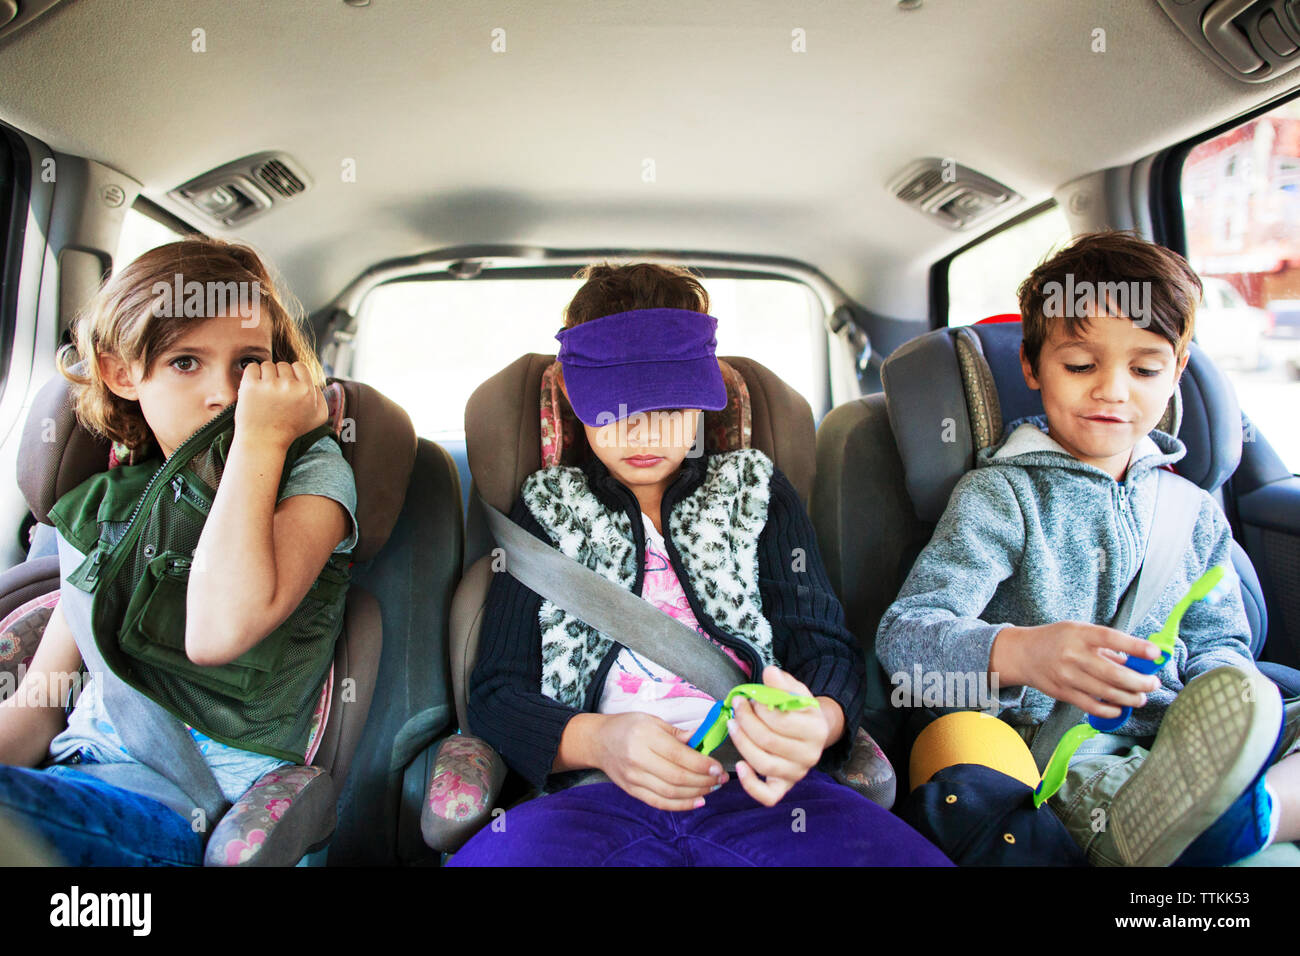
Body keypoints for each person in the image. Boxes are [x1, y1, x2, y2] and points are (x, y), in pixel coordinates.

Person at [450, 262, 950, 866]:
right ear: (575, 402)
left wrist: (816, 723)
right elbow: (497, 694)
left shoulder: (755, 494)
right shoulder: (548, 513)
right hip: (593, 795)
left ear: (702, 400)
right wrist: (599, 741)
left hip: (766, 789)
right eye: (613, 408)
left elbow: (823, 647)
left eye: (667, 405)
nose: (642, 429)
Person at [877, 231, 1300, 866]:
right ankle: (1209, 824)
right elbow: (905, 639)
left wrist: (1223, 708)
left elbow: (1220, 643)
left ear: (1177, 372)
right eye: (1080, 366)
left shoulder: (1192, 512)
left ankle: (1257, 813)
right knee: (1082, 796)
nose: (1112, 391)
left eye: (1145, 369)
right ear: (1031, 366)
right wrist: (1021, 654)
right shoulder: (1001, 495)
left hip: (1179, 738)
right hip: (1060, 752)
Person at [0, 238, 358, 866]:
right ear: (120, 373)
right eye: (186, 362)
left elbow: (218, 632)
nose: (224, 393)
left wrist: (260, 440)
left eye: (249, 364)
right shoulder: (108, 507)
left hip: (192, 817)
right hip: (72, 782)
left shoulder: (313, 480)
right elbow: (36, 708)